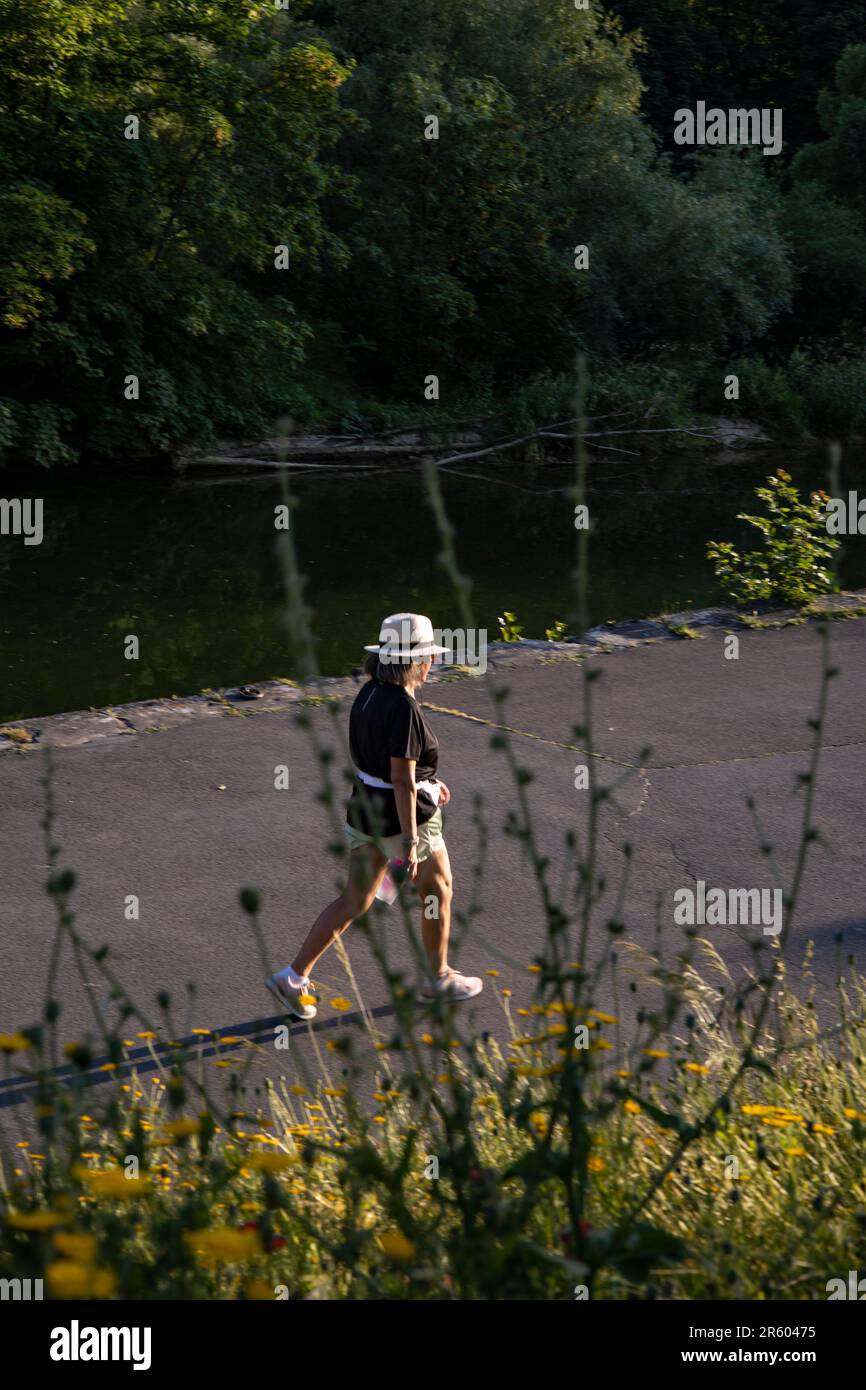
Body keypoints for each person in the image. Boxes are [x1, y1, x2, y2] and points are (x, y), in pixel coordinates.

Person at [266, 612, 483, 1019]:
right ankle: (437, 977)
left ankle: (292, 978)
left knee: (356, 898)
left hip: (364, 808)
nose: (433, 663)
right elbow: (401, 780)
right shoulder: (404, 709)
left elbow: (389, 768)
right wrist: (411, 840)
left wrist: (431, 783)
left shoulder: (368, 694)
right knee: (437, 891)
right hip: (398, 818)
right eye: (430, 657)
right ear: (418, 661)